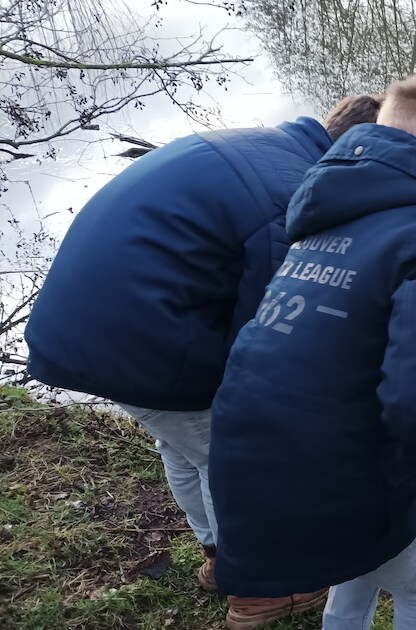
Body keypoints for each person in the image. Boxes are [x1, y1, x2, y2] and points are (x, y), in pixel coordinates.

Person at [23, 94, 383, 629]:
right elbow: (267, 344)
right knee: (233, 452)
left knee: (183, 442)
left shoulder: (269, 148)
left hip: (82, 327)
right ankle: (255, 591)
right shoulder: (295, 199)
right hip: (138, 340)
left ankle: (218, 559)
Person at [207, 76, 416, 630]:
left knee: (362, 562)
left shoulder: (322, 225)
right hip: (331, 478)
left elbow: (356, 375)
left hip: (249, 469)